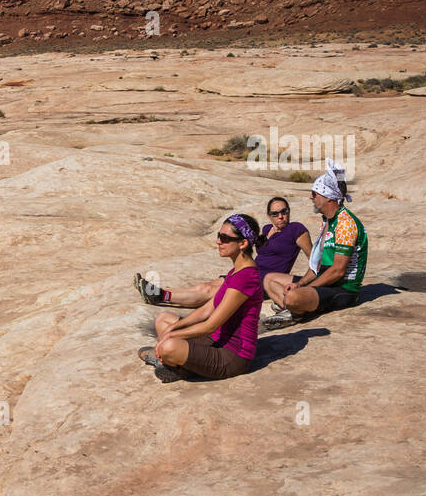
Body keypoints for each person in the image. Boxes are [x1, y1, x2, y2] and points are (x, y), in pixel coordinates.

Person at [137, 214, 265, 382]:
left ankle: (176, 364)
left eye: (225, 238)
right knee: (164, 320)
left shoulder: (246, 277)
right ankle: (179, 364)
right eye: (219, 236)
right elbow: (206, 310)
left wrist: (172, 337)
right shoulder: (235, 272)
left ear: (243, 243)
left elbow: (210, 325)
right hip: (215, 339)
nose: (218, 241)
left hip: (232, 356)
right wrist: (174, 328)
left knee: (169, 346)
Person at [134, 197, 311, 308]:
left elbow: (313, 258)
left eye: (284, 212)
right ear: (269, 215)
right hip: (249, 270)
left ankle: (159, 295)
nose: (281, 216)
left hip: (264, 281)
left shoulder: (297, 229)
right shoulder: (265, 229)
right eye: (275, 213)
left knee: (213, 292)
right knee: (206, 286)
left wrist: (303, 283)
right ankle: (159, 292)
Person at [263, 160, 366, 327]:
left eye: (315, 193)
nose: (311, 197)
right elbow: (318, 265)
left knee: (292, 297)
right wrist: (300, 283)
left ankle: (296, 312)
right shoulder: (327, 221)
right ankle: (296, 307)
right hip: (326, 279)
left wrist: (304, 289)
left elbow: (338, 272)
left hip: (343, 289)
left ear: (327, 198)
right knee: (269, 279)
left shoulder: (345, 224)